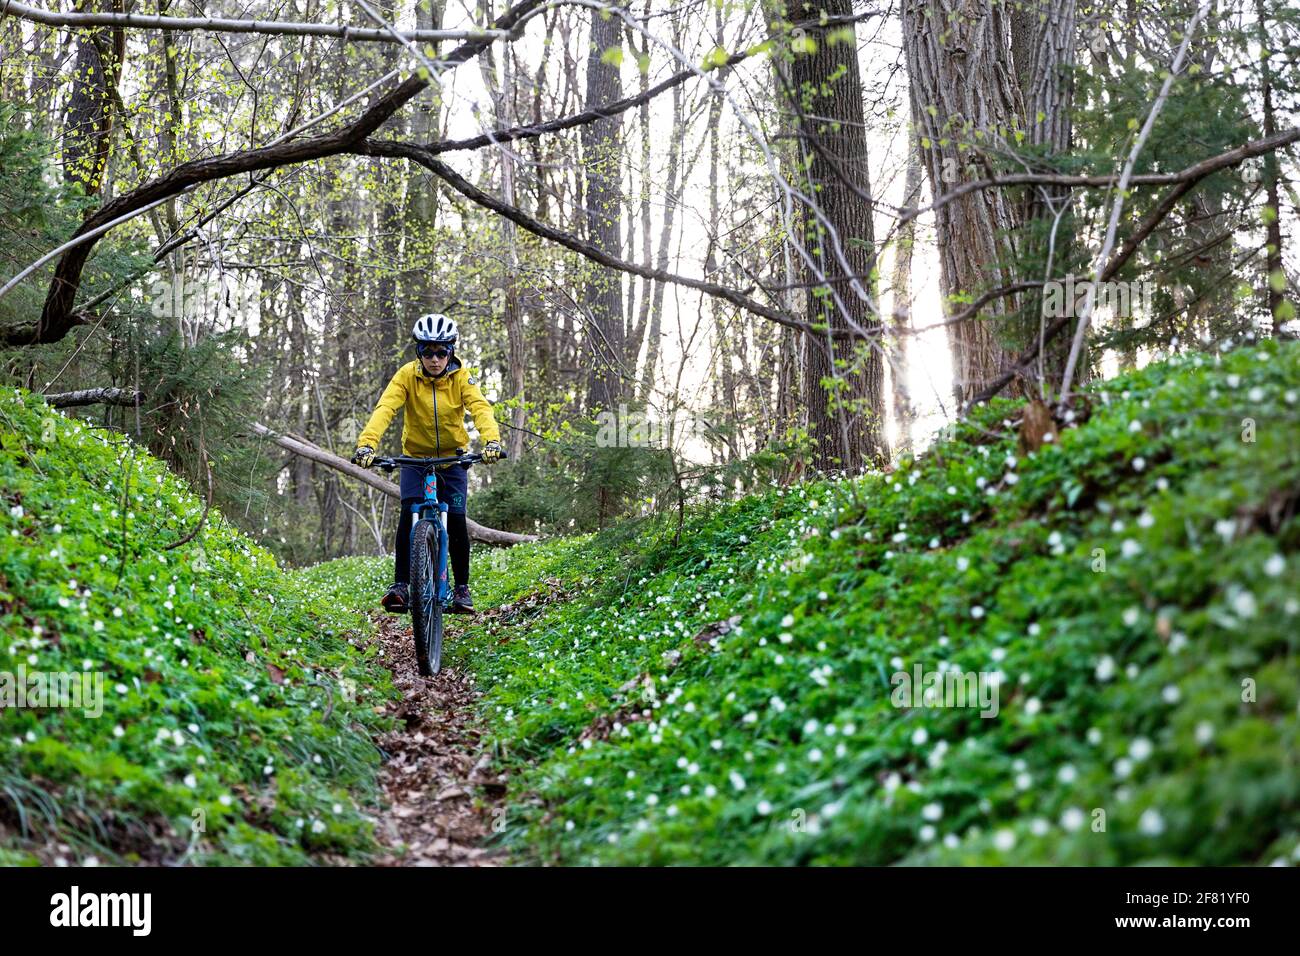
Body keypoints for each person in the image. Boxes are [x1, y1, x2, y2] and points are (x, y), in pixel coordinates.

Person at [351, 313, 503, 615]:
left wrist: (492, 441)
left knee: (457, 520)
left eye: (442, 351)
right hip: (415, 459)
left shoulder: (462, 377)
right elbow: (386, 407)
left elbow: (480, 408)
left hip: (453, 458)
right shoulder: (407, 375)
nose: (435, 359)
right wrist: (367, 444)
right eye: (427, 351)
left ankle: (461, 588)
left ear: (452, 350)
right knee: (408, 514)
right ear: (418, 352)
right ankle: (401, 586)